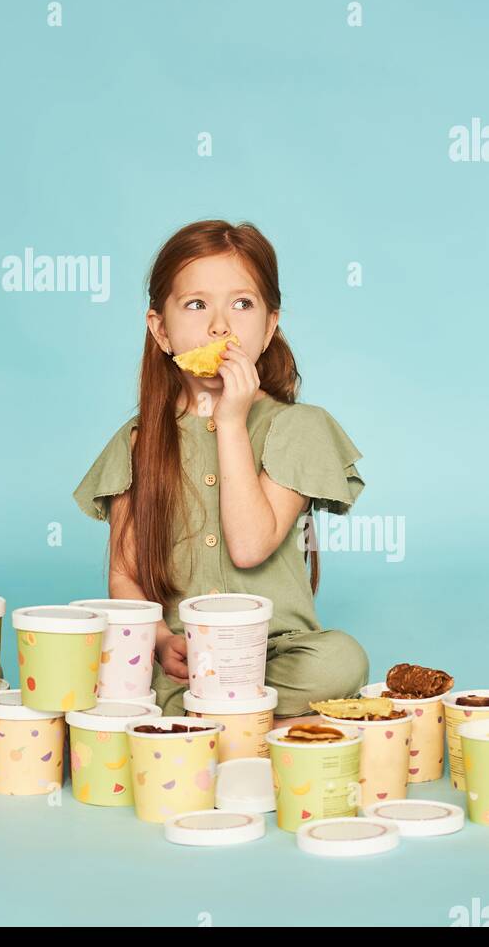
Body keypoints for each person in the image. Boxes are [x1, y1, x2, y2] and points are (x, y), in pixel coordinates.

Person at [73, 220, 370, 724]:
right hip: (185, 660)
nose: (220, 326)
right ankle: (242, 717)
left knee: (342, 659)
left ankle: (214, 718)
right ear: (160, 330)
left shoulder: (300, 428)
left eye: (242, 304)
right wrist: (162, 641)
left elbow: (250, 545)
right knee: (112, 663)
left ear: (270, 325)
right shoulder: (138, 440)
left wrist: (230, 421)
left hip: (275, 650)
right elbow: (124, 574)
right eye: (196, 304)